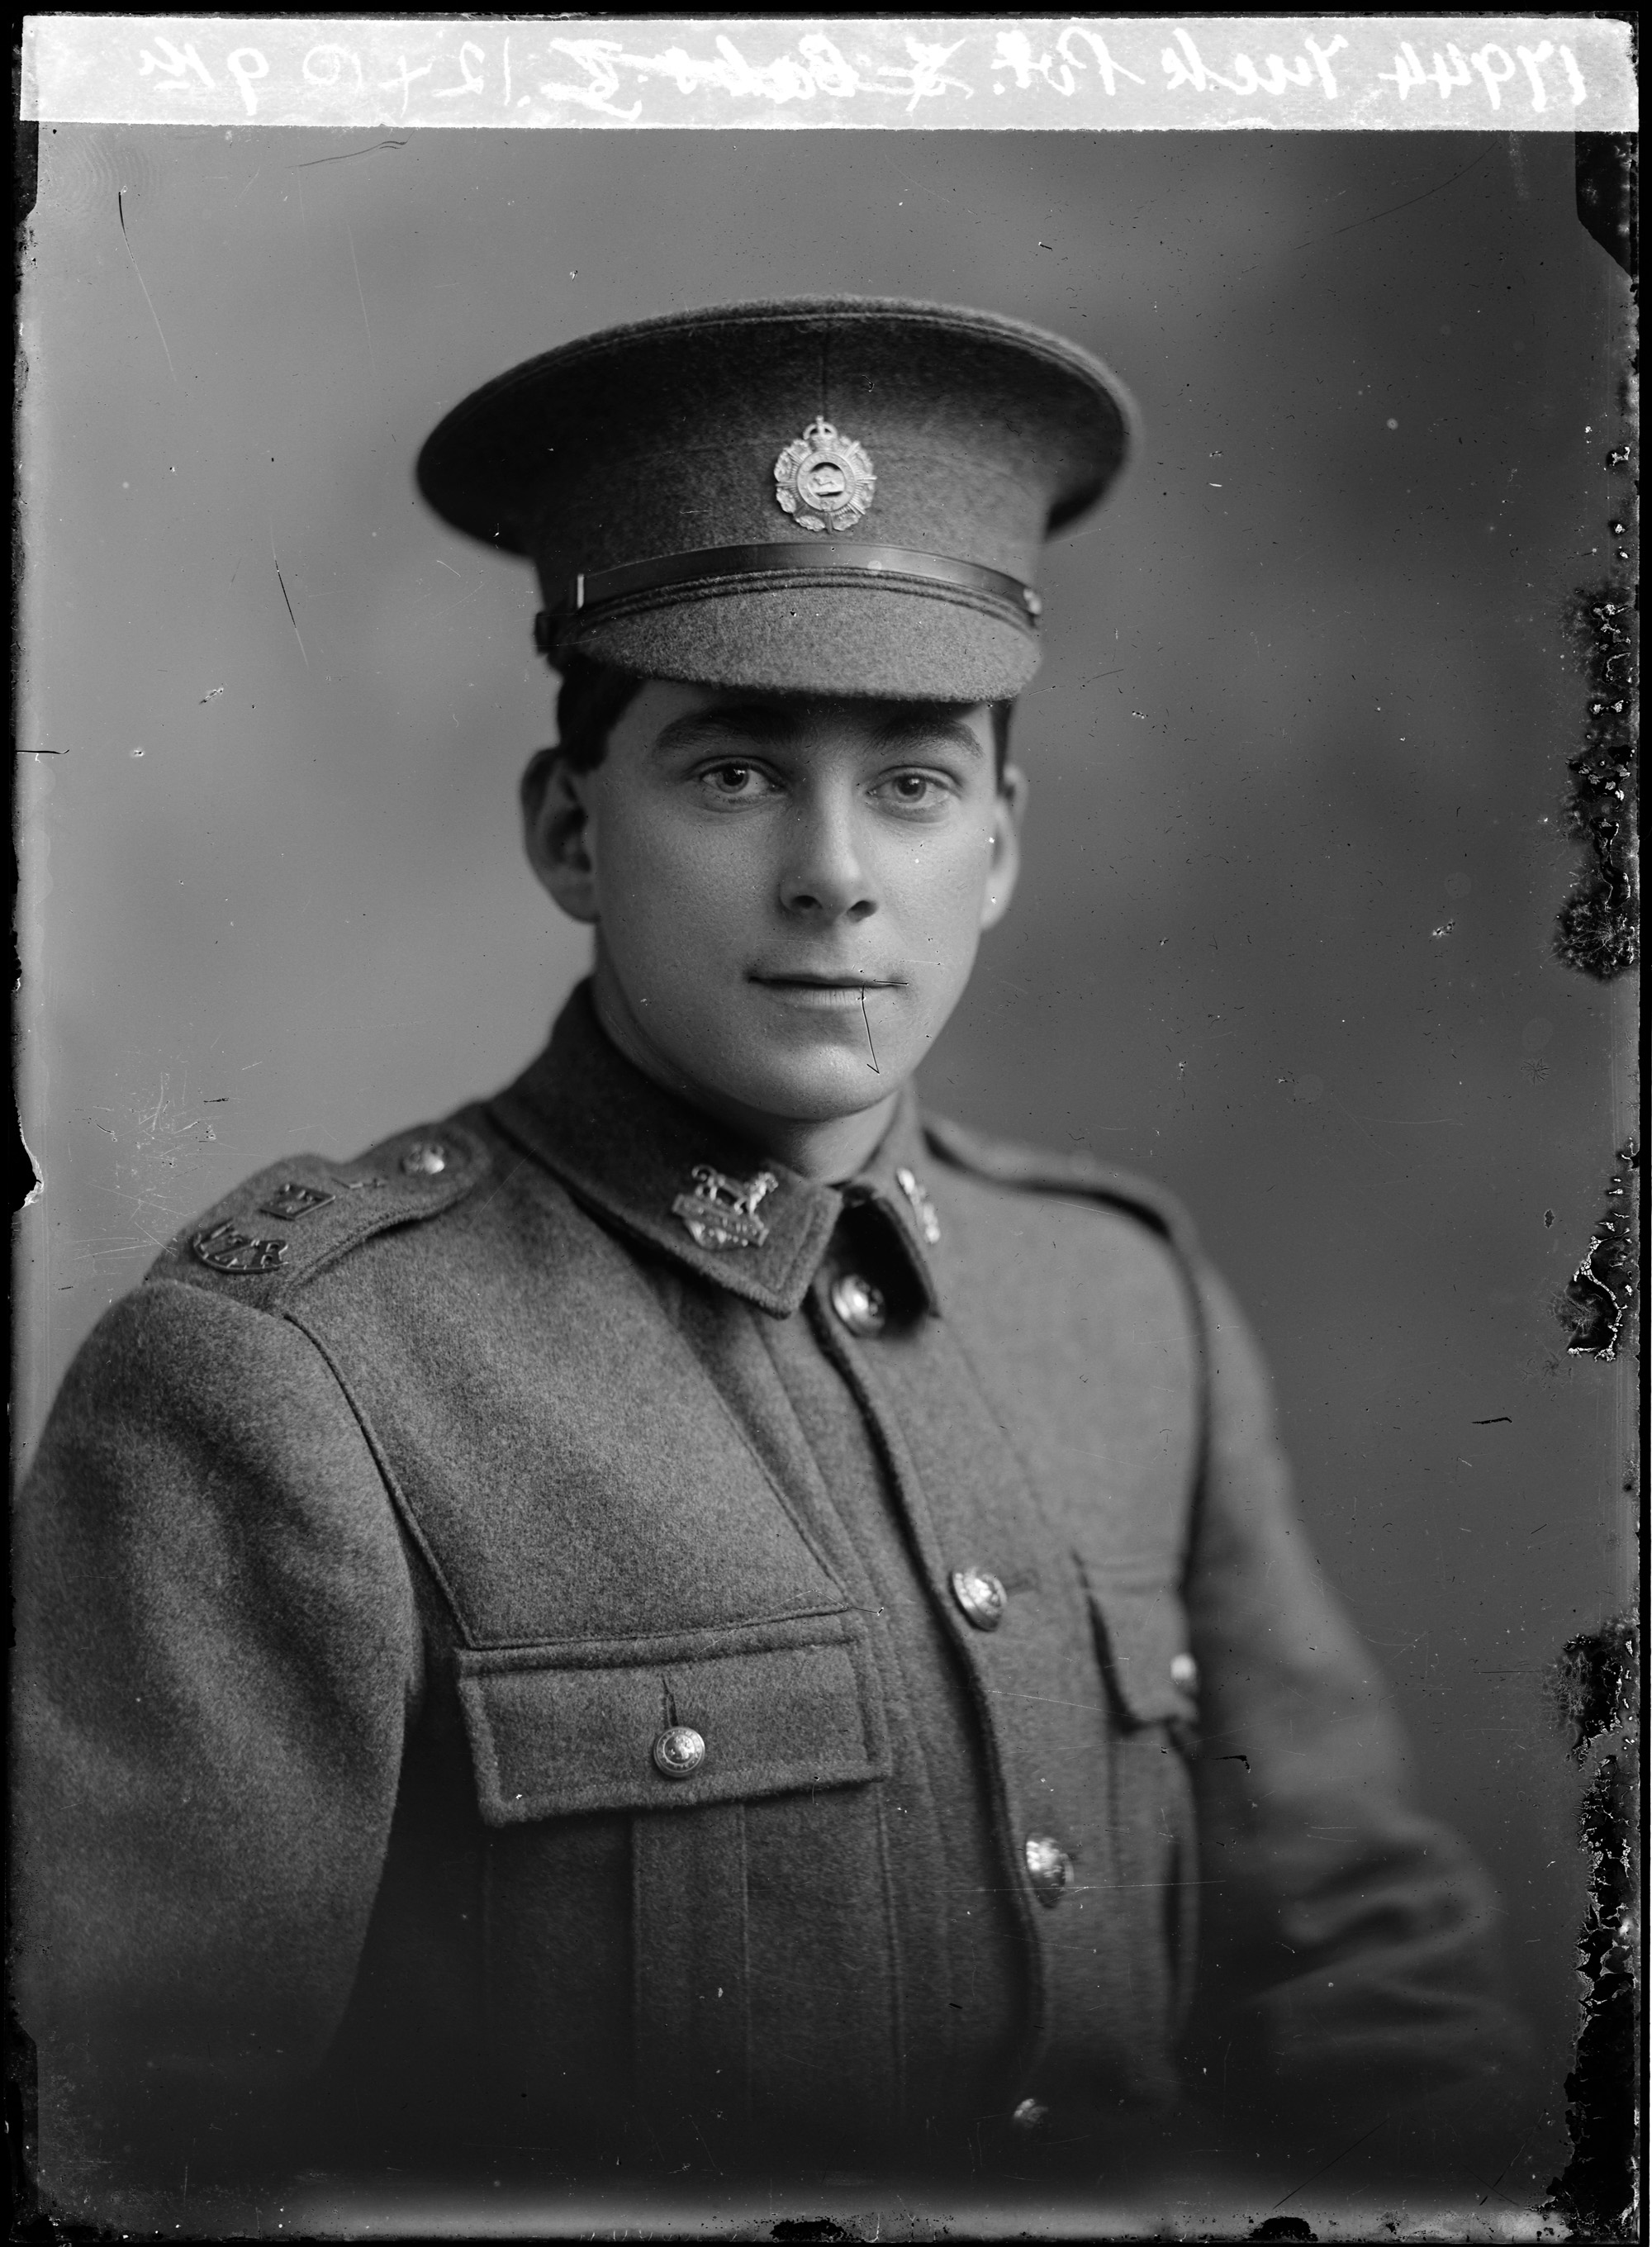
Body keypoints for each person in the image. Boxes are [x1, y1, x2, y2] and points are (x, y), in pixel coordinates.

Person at [16, 297, 1531, 2209]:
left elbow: (1367, 1984)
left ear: (995, 848)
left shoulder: (1126, 1305)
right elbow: (130, 2165)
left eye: (910, 782)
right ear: (574, 831)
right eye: (732, 774)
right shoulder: (297, 1377)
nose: (833, 870)